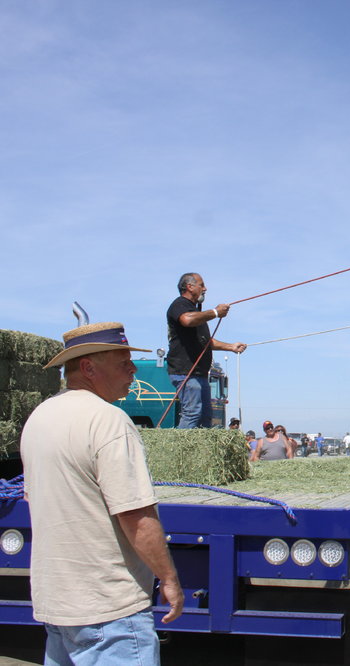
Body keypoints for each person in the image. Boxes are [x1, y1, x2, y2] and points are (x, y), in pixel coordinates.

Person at [20, 321, 184, 663]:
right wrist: (168, 578)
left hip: (59, 605)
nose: (133, 369)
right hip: (109, 609)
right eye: (123, 361)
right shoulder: (108, 420)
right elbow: (136, 515)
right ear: (88, 367)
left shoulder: (39, 417)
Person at [166, 272, 247, 428]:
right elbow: (186, 320)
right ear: (189, 287)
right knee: (192, 413)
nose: (205, 288)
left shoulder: (196, 311)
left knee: (205, 417)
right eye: (201, 285)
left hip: (199, 373)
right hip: (186, 371)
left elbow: (204, 341)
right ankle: (179, 452)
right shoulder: (180, 305)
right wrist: (215, 313)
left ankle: (201, 452)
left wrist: (230, 347)